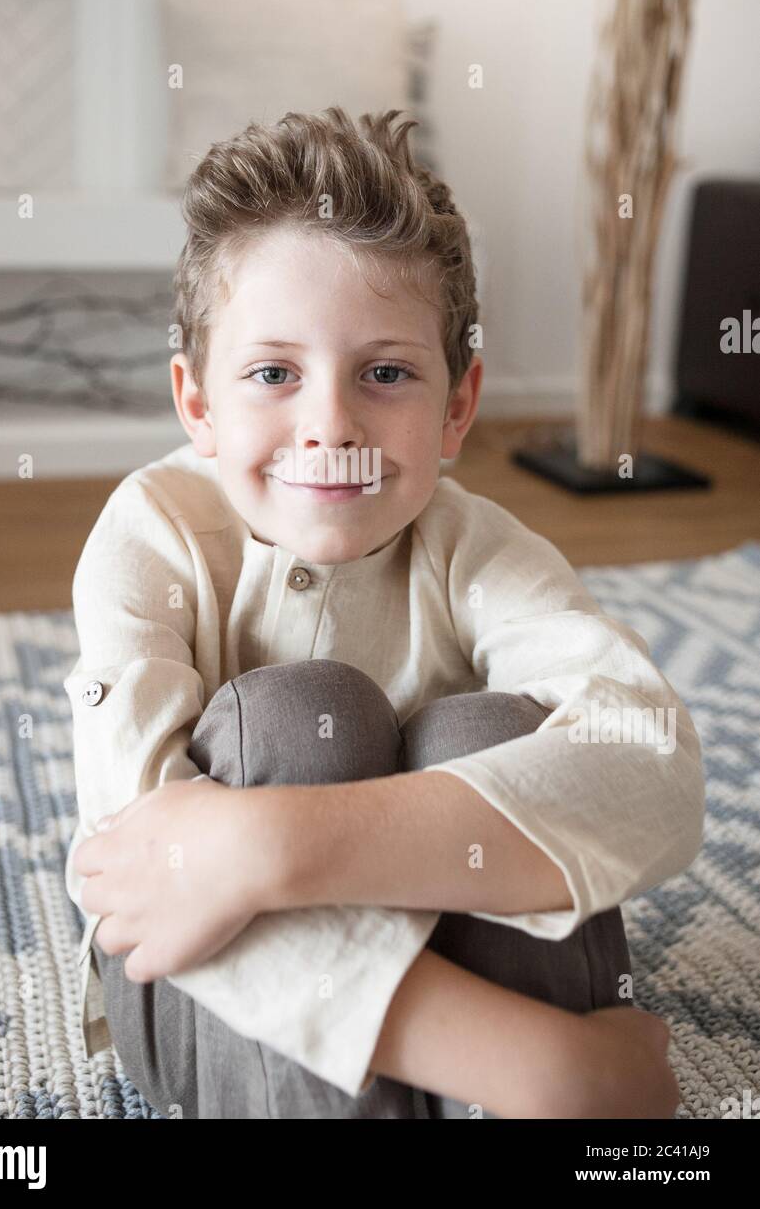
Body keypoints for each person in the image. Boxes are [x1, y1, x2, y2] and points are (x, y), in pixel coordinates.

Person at [64, 106, 701, 1119]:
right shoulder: (150, 533)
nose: (329, 426)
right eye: (273, 373)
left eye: (386, 373)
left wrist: (273, 844)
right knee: (296, 715)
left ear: (457, 406)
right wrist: (533, 1063)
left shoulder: (474, 546)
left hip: (431, 956)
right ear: (196, 404)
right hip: (214, 1015)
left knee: (488, 728)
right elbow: (139, 866)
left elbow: (654, 760)